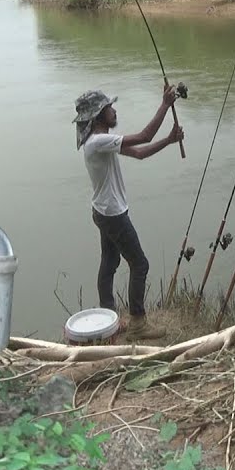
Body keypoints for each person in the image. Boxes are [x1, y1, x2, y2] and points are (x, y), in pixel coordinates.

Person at [74, 85, 184, 341]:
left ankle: (108, 318)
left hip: (103, 211)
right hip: (113, 214)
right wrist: (165, 105)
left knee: (110, 263)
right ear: (99, 115)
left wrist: (169, 140)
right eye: (109, 108)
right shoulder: (98, 141)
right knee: (140, 264)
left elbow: (139, 153)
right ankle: (138, 323)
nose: (114, 111)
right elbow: (144, 136)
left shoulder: (102, 143)